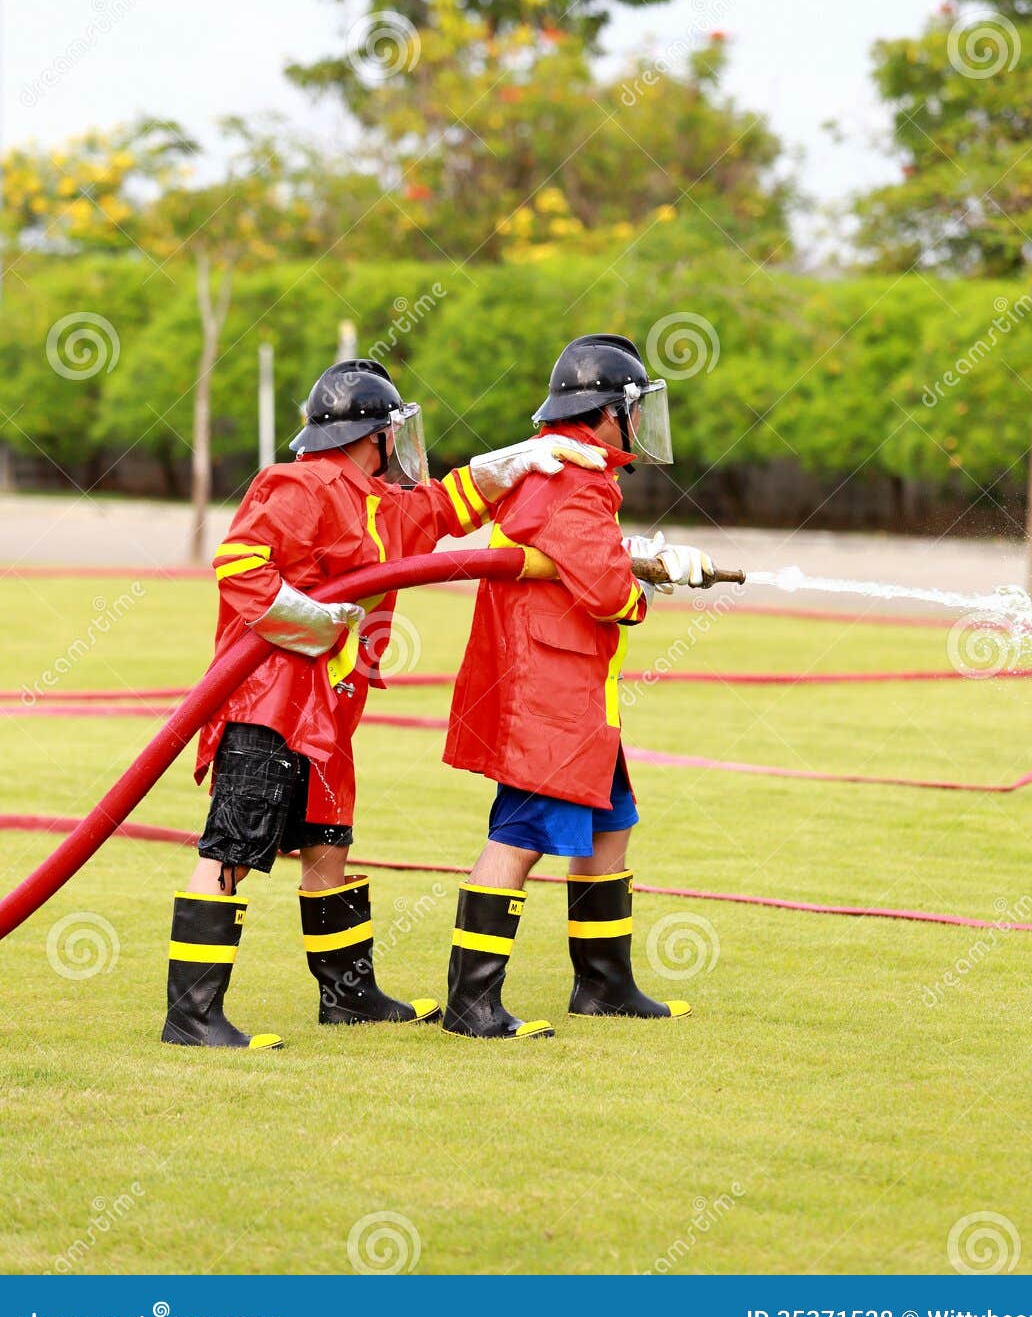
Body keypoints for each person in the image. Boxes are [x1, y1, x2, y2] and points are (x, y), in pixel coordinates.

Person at [161, 358, 605, 1051]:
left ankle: (348, 997)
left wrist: (530, 456)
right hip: (268, 703)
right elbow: (241, 567)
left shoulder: (373, 499)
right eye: (393, 431)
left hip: (328, 711)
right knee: (231, 851)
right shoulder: (297, 485)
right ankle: (191, 1017)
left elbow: (446, 504)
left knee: (326, 846)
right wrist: (324, 619)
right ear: (374, 435)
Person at [441, 334, 712, 1039]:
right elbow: (599, 585)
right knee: (519, 836)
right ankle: (472, 1005)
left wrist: (644, 558)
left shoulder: (565, 469)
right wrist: (642, 587)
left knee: (609, 829)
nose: (640, 425)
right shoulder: (573, 479)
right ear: (605, 413)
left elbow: (576, 552)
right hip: (549, 698)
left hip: (576, 696)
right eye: (633, 410)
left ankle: (603, 987)